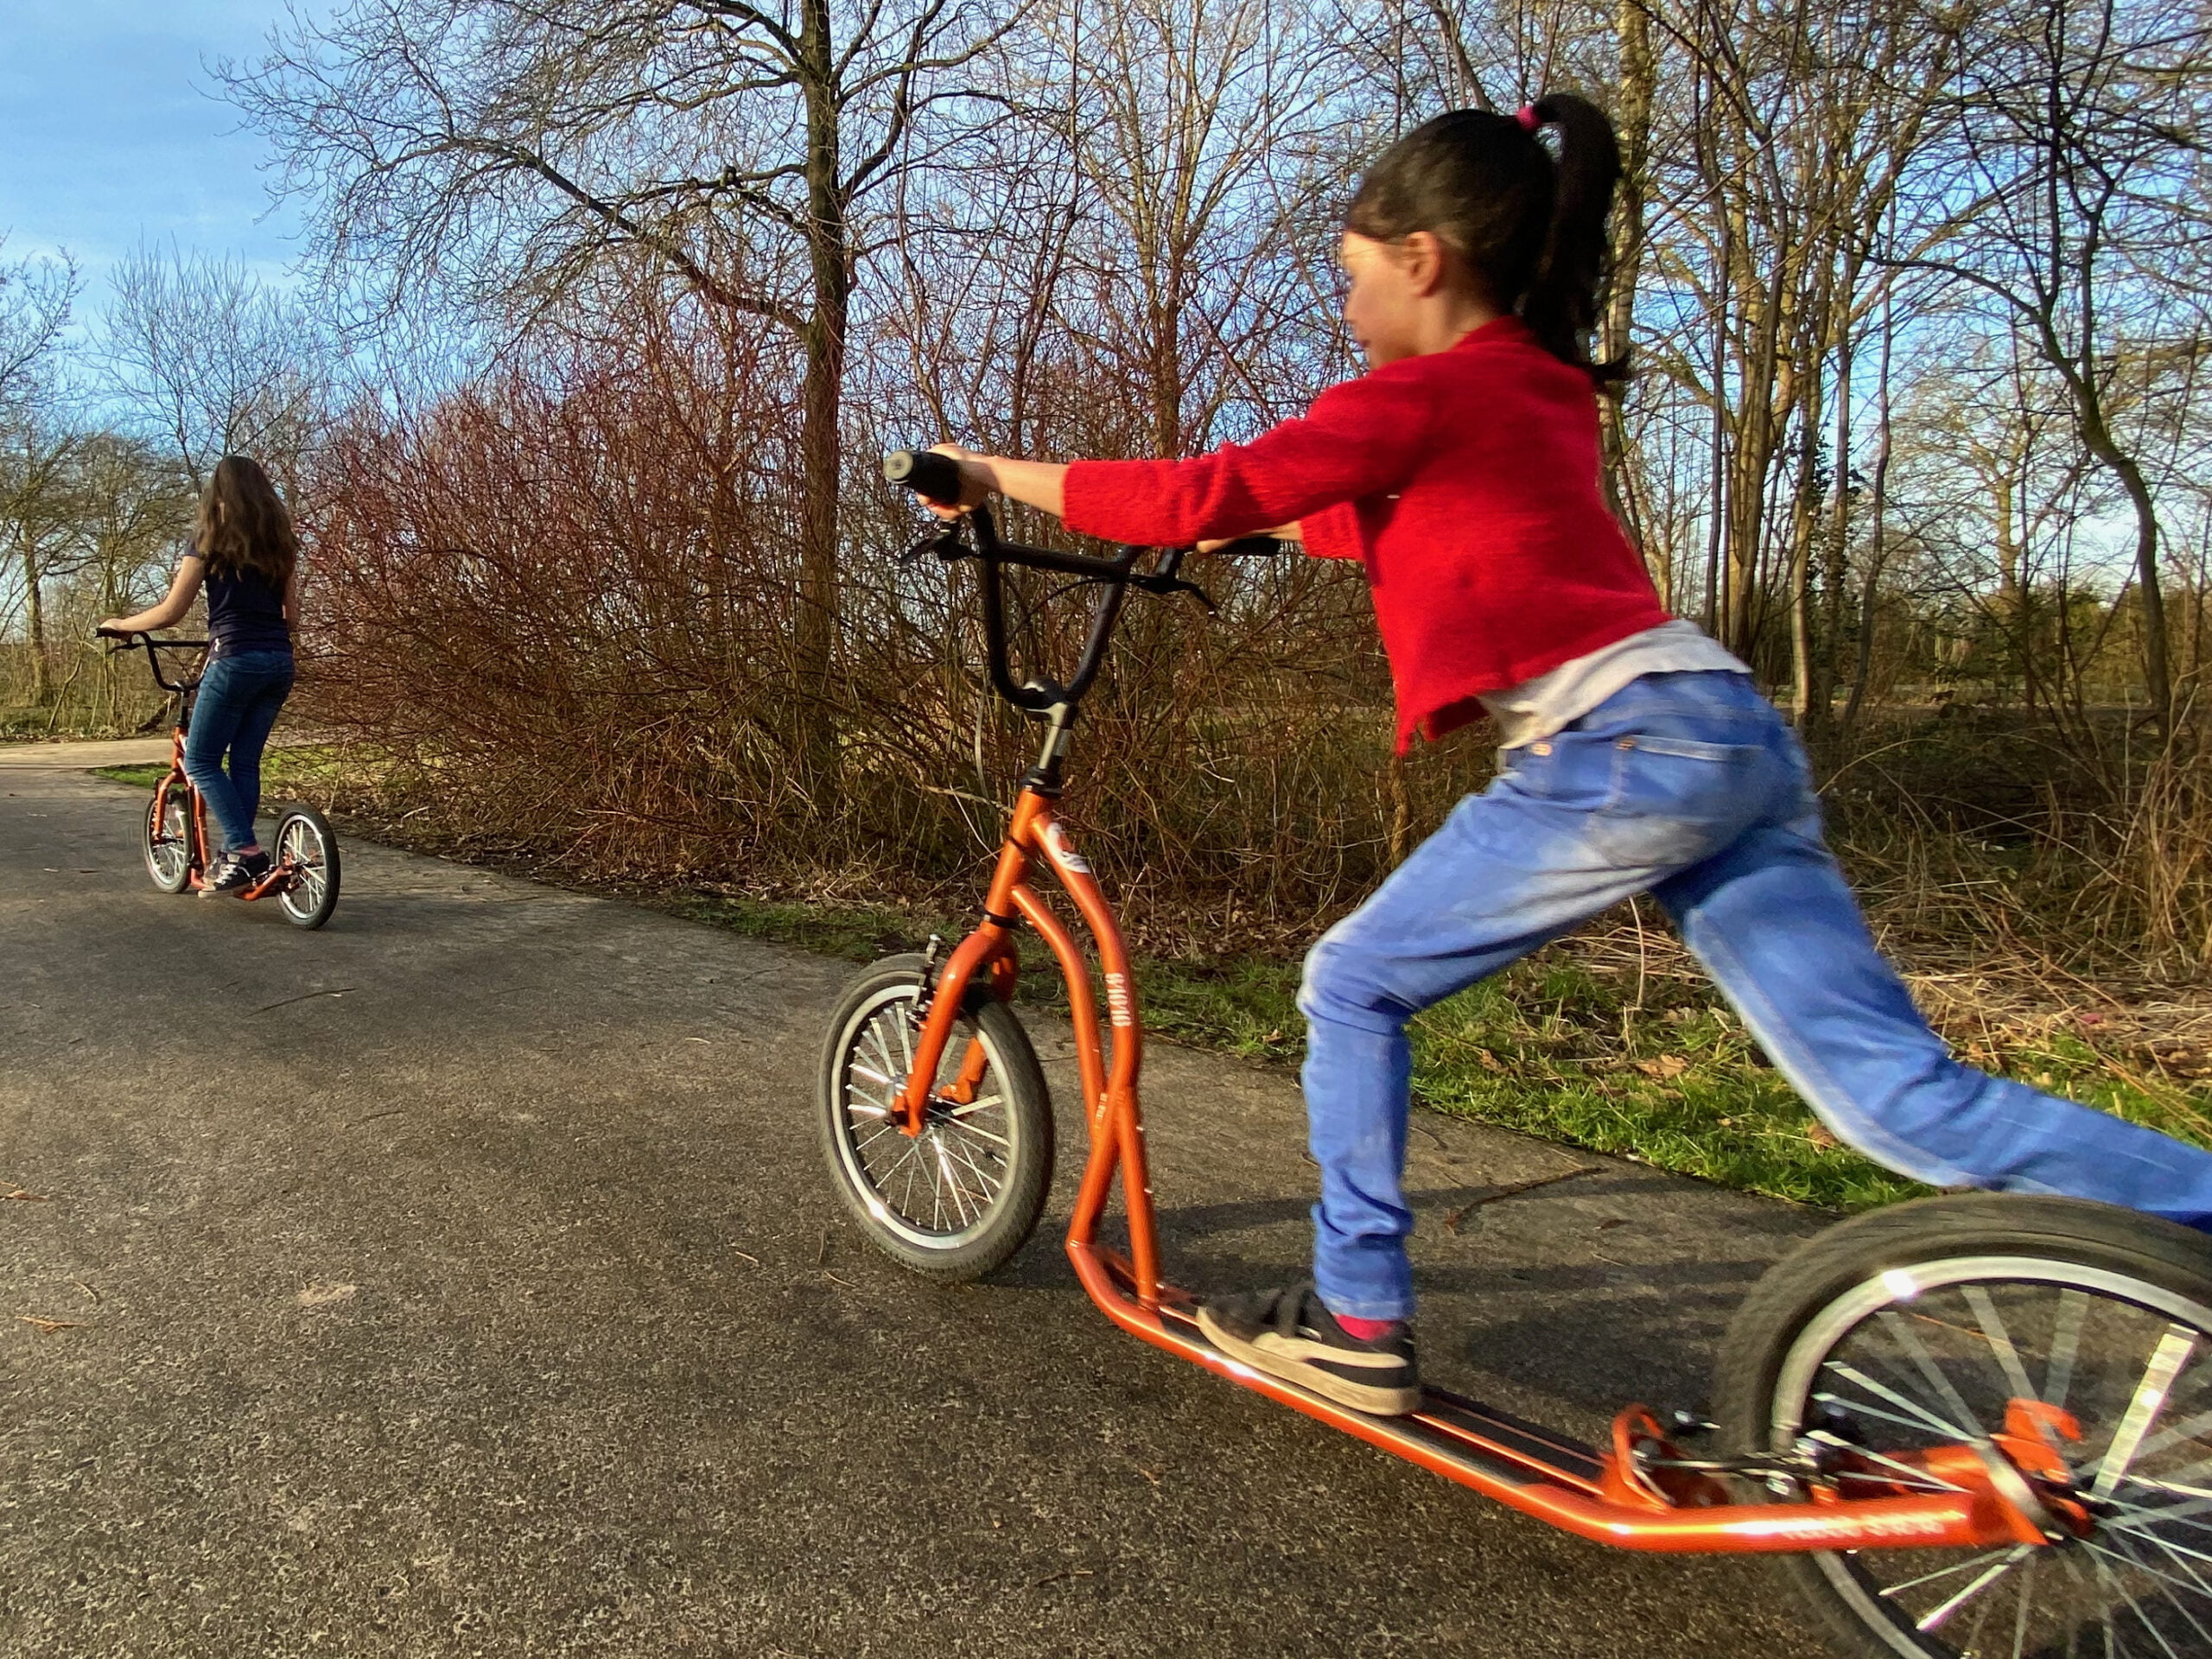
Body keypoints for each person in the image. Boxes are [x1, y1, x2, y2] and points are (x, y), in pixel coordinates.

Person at [917, 97, 2212, 1417]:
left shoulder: (1424, 388)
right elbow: (1449, 531)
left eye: (1355, 283)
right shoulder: (1537, 389)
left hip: (1621, 749)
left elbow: (1207, 487)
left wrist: (989, 471)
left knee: (1352, 983)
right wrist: (1267, 540)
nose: (1349, 315)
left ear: (1424, 261)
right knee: (1895, 1101)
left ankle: (1357, 1316)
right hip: (1726, 734)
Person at [104, 455, 300, 896]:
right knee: (244, 761)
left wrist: (120, 624)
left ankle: (245, 851)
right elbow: (293, 618)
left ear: (219, 493)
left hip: (234, 660)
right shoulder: (281, 544)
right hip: (279, 663)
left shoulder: (210, 540)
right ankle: (237, 854)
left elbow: (171, 613)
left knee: (200, 761)